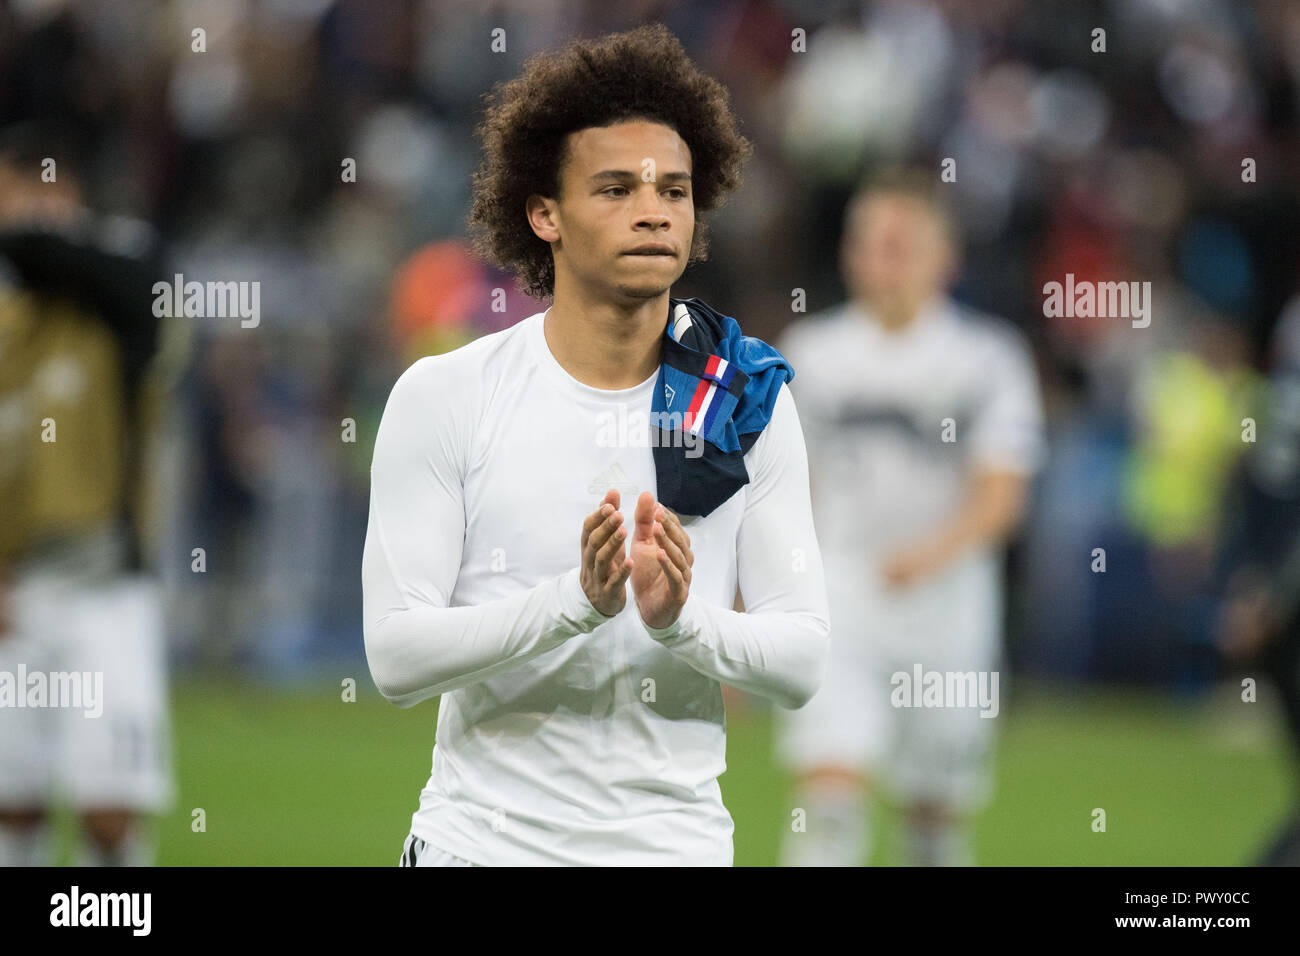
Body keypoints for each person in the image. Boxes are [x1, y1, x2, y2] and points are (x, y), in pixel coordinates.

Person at [362, 24, 829, 866]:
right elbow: (395, 655)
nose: (653, 210)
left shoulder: (743, 394)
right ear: (543, 212)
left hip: (674, 850)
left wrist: (684, 623)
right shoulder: (446, 395)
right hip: (482, 846)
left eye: (675, 191)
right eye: (614, 189)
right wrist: (573, 604)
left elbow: (800, 660)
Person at [773, 170, 1046, 866]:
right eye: (868, 243)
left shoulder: (986, 360)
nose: (880, 259)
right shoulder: (810, 354)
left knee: (934, 821)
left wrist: (933, 552)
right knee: (828, 795)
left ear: (942, 258)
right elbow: (785, 487)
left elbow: (1002, 494)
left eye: (901, 244)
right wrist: (770, 585)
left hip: (949, 605)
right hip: (842, 597)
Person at [0, 127, 179, 866]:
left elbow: (133, 276)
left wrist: (25, 231)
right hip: (12, 588)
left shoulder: (121, 295)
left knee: (110, 812)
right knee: (14, 805)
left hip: (106, 584)